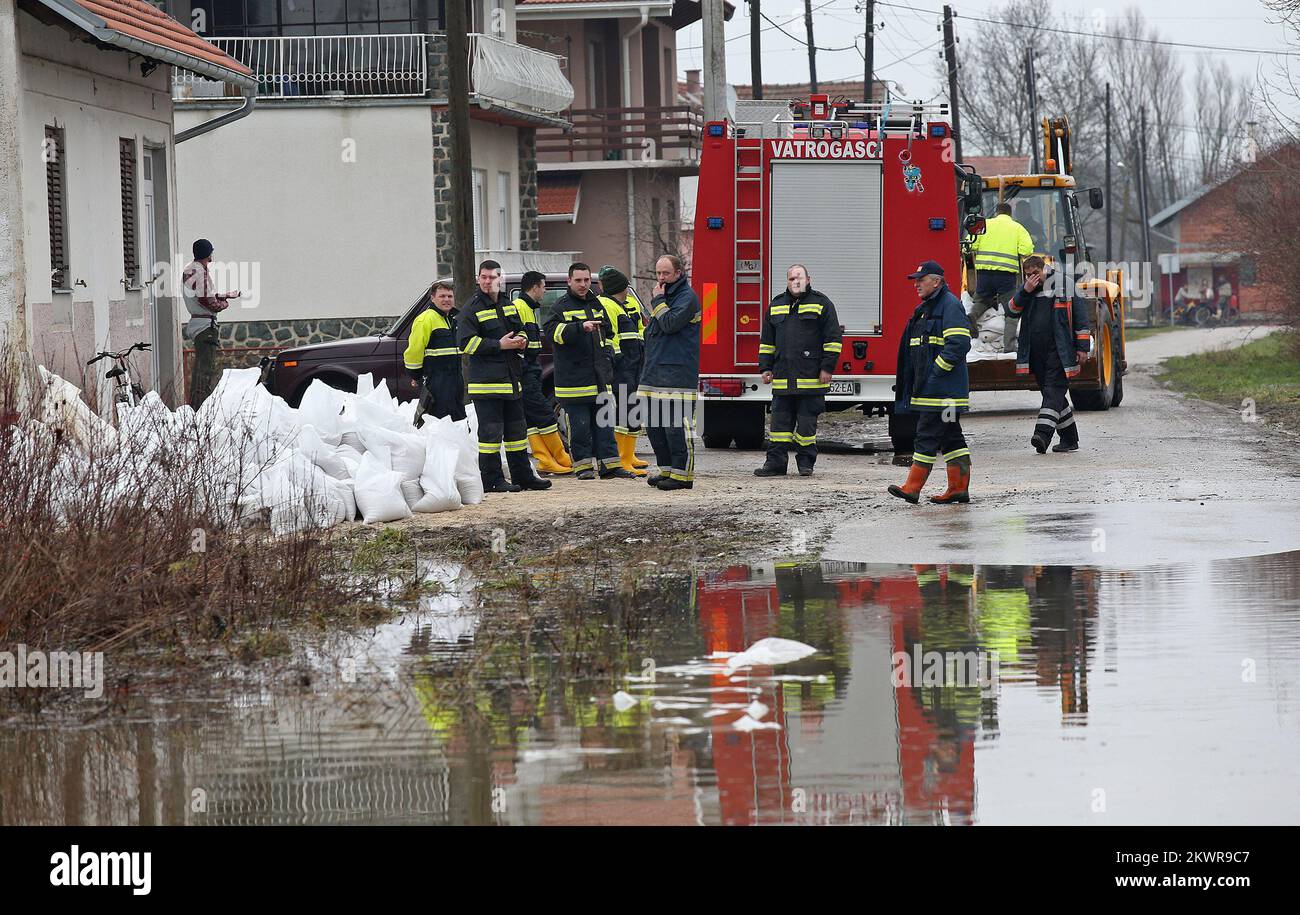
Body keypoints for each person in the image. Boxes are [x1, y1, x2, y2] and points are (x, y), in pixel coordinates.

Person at [456, 260, 551, 493]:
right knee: (490, 436)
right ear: (478, 279)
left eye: (492, 277)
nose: (488, 281)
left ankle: (523, 476)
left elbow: (518, 329)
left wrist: (521, 341)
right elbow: (465, 344)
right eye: (484, 277)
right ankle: (491, 480)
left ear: (500, 279)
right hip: (486, 385)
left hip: (511, 381)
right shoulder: (471, 308)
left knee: (517, 433)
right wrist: (498, 344)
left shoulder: (508, 304)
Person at [887, 260, 973, 505]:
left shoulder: (949, 306)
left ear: (936, 281)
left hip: (942, 394)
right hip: (935, 392)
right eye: (915, 280)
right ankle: (958, 488)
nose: (916, 284)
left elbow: (959, 345)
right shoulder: (927, 308)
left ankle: (912, 487)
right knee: (951, 438)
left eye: (921, 280)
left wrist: (936, 372)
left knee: (926, 435)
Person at [542, 263, 635, 480]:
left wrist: (609, 355)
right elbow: (552, 333)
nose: (583, 285)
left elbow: (610, 334)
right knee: (580, 427)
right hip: (573, 381)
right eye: (578, 280)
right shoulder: (560, 307)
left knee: (604, 426)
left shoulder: (596, 303)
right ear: (569, 281)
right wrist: (579, 327)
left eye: (586, 280)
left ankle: (610, 467)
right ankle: (583, 467)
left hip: (599, 378)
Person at [754, 264, 842, 477]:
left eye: (799, 277)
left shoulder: (822, 304)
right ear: (787, 281)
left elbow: (833, 340)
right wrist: (765, 367)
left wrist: (827, 368)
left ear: (808, 279)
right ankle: (775, 464)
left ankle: (805, 464)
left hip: (810, 380)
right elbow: (767, 342)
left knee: (806, 428)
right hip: (783, 380)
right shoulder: (776, 305)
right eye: (792, 278)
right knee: (778, 428)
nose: (796, 281)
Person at [1006, 254, 1092, 453]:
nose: (1031, 278)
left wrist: (1082, 348)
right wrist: (1024, 291)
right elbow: (1011, 311)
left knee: (1053, 390)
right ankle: (1070, 439)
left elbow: (1081, 318)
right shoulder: (1028, 288)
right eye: (1027, 275)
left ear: (1044, 269)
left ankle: (1042, 434)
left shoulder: (1065, 284)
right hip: (1036, 352)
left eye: (1035, 274)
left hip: (1060, 351)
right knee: (1052, 394)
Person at [641, 254, 702, 491]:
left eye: (665, 273)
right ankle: (667, 470)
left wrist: (657, 301)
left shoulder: (687, 297)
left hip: (677, 371)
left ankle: (682, 476)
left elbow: (669, 324)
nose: (661, 278)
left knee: (675, 425)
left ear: (678, 273)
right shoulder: (665, 296)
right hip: (655, 370)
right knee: (655, 426)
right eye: (658, 273)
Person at [512, 271, 573, 475]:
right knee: (545, 415)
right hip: (526, 370)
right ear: (535, 287)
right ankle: (560, 457)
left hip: (532, 369)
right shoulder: (520, 308)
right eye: (544, 287)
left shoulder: (528, 308)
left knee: (531, 418)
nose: (545, 291)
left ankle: (546, 460)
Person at [596, 265, 650, 476]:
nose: (628, 289)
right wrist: (617, 360)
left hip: (636, 364)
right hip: (622, 366)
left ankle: (631, 454)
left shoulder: (629, 304)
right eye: (626, 286)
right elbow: (611, 337)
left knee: (634, 409)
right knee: (624, 411)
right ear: (620, 286)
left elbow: (640, 330)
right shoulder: (607, 304)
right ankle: (622, 458)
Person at [967, 203, 1034, 354]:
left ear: (996, 212)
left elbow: (970, 245)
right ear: (1010, 214)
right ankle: (1009, 348)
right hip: (1006, 276)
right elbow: (1027, 250)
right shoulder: (1017, 228)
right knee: (1012, 310)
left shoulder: (985, 224)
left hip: (984, 274)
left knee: (982, 300)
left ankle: (972, 315)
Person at [182, 238, 240, 408]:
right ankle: (199, 410)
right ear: (208, 254)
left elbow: (201, 294)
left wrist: (225, 294)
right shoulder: (200, 272)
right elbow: (206, 299)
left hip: (197, 322)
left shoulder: (189, 270)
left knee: (200, 369)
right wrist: (223, 304)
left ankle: (195, 407)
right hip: (205, 326)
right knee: (204, 371)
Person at [403, 280, 465, 424]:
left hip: (455, 381)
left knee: (458, 422)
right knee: (437, 422)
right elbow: (414, 351)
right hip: (436, 383)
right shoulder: (425, 320)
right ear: (432, 298)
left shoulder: (454, 320)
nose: (446, 300)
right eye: (442, 296)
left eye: (450, 296)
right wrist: (416, 375)